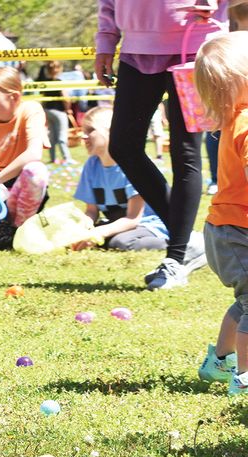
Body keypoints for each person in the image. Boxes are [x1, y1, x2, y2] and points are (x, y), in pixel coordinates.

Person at [95, 0, 225, 290]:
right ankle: (187, 239)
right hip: (135, 51)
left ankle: (176, 258)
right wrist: (105, 43)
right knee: (122, 146)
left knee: (186, 152)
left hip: (195, 45)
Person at [67, 107, 206, 258]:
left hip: (147, 224)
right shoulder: (92, 165)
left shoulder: (130, 165)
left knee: (118, 242)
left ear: (110, 131)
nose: (83, 136)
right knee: (88, 237)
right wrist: (84, 227)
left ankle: (184, 243)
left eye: (90, 130)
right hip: (118, 222)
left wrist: (100, 232)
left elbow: (133, 219)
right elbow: (92, 211)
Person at [193, 32, 248, 392]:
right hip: (236, 233)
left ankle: (219, 361)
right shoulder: (246, 121)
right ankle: (243, 379)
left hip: (225, 231)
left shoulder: (236, 118)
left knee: (245, 302)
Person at [0, 67, 50, 234]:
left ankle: (19, 230)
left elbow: (34, 153)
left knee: (36, 171)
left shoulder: (30, 110)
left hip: (13, 183)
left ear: (15, 97)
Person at [36, 61, 76, 165]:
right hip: (59, 111)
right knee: (62, 135)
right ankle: (67, 158)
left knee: (52, 136)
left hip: (47, 110)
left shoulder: (46, 82)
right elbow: (65, 98)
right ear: (59, 69)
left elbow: (43, 96)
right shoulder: (59, 81)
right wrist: (68, 109)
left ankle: (52, 158)